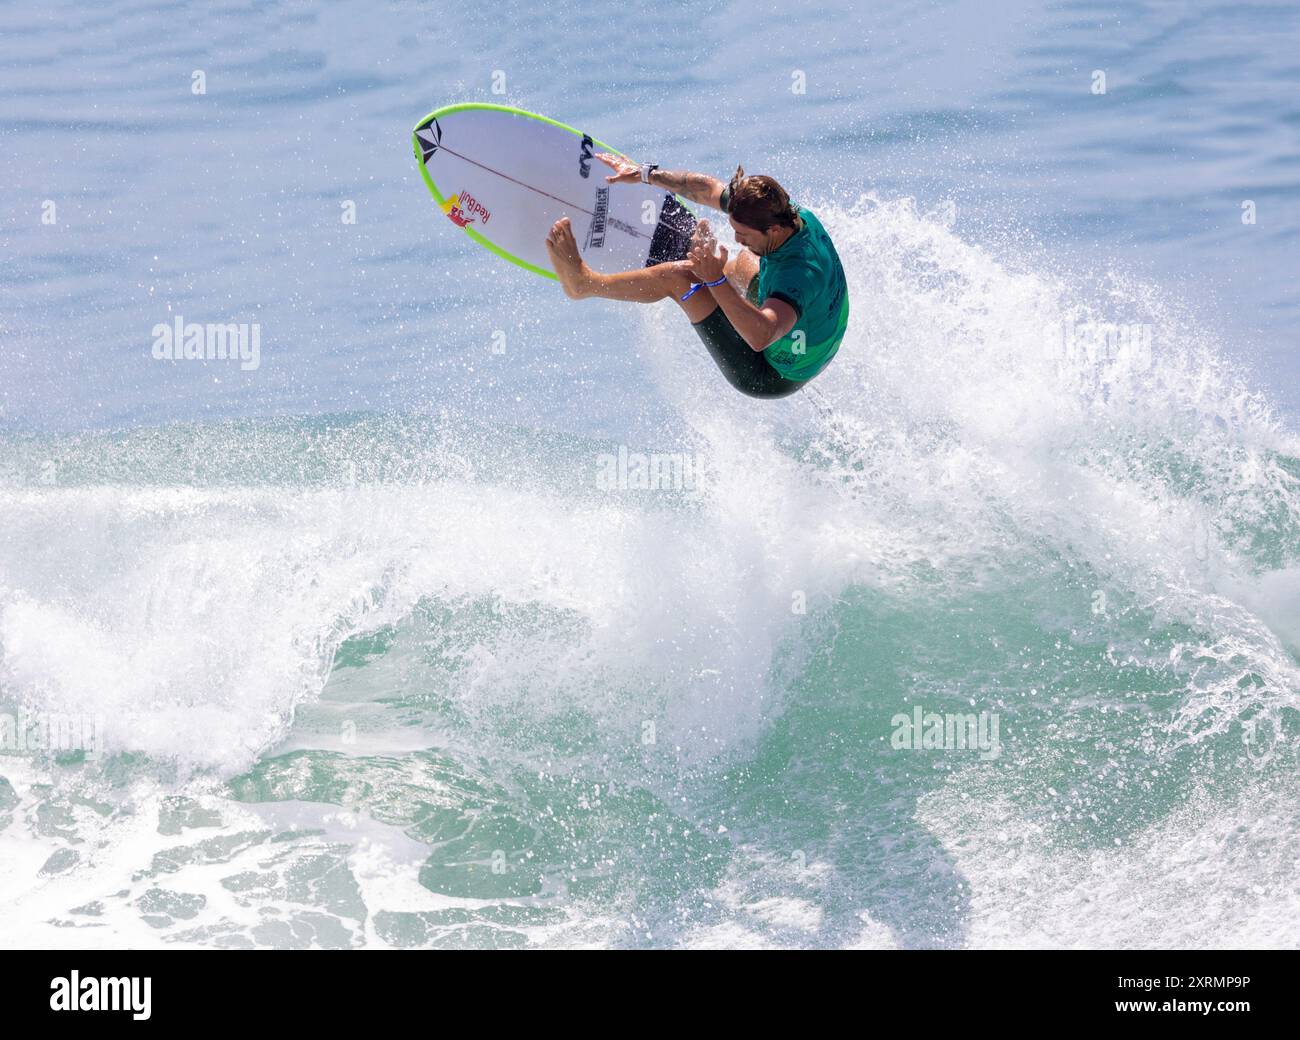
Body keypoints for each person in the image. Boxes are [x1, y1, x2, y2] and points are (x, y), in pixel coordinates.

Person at [543, 156, 849, 398]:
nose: (738, 239)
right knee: (744, 260)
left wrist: (714, 281)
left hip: (770, 373)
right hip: (817, 339)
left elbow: (761, 336)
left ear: (775, 231)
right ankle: (704, 260)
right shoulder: (784, 212)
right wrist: (644, 174)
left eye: (744, 235)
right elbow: (708, 189)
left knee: (680, 279)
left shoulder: (799, 274)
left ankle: (583, 284)